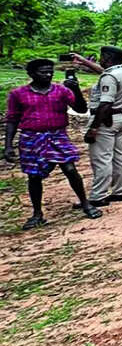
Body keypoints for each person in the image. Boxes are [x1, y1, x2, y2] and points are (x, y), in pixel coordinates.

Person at [4, 60, 102, 228]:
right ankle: (37, 214)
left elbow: (80, 109)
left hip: (58, 135)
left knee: (70, 169)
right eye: (43, 72)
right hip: (31, 138)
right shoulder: (18, 94)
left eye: (50, 71)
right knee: (34, 176)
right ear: (32, 74)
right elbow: (12, 120)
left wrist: (76, 89)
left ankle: (85, 203)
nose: (48, 75)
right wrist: (8, 146)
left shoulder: (61, 91)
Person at [72, 46, 122, 206]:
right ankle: (121, 191)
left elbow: (106, 103)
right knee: (119, 156)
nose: (100, 59)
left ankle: (97, 196)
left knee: (101, 159)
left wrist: (94, 128)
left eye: (102, 56)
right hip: (121, 118)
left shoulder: (109, 77)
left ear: (108, 57)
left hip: (106, 119)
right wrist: (84, 62)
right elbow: (105, 72)